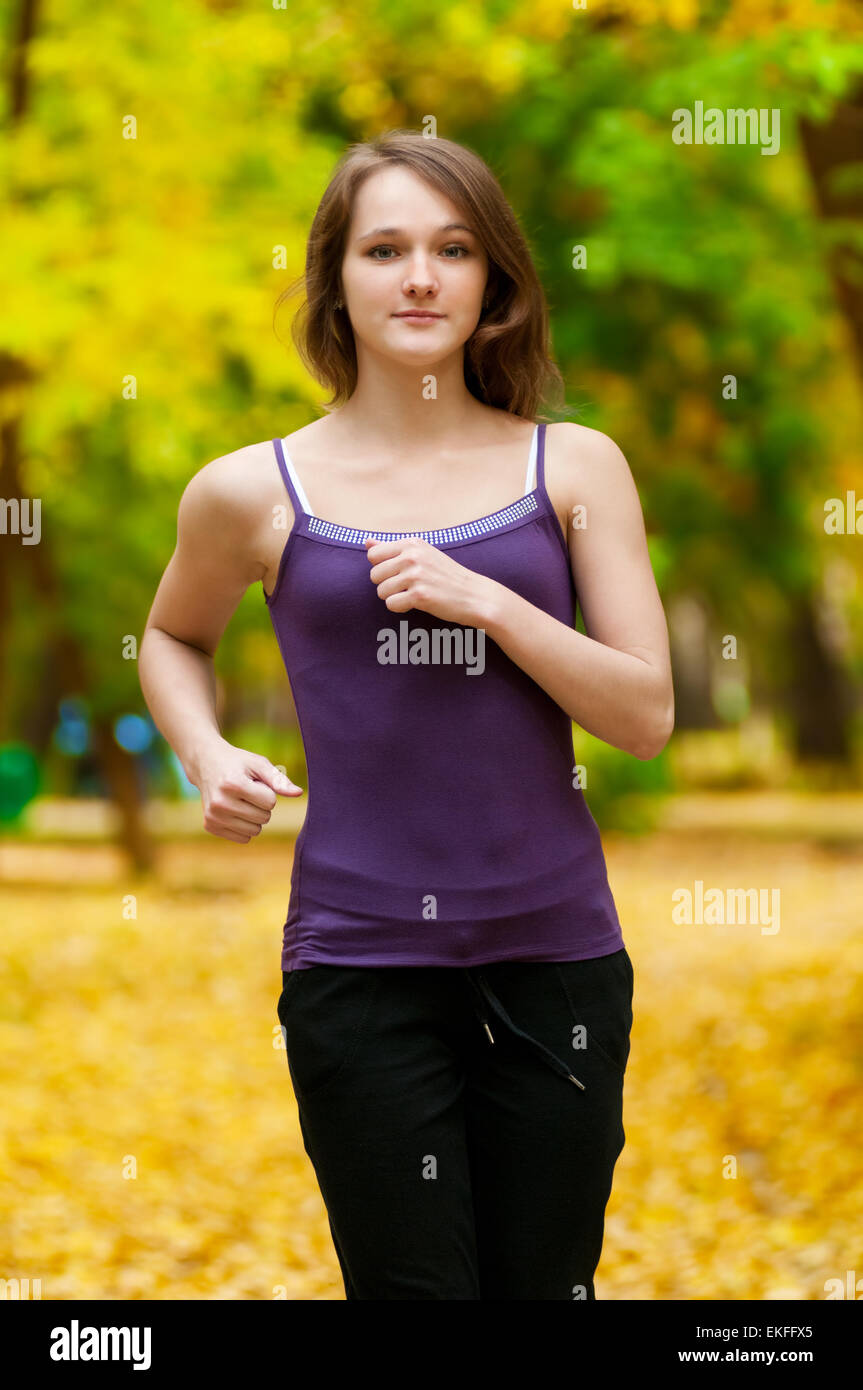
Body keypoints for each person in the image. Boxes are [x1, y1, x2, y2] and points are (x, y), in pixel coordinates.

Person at [138, 130, 674, 1300]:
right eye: (384, 249)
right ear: (336, 277)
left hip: (557, 965)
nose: (419, 276)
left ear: (494, 283)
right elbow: (172, 635)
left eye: (452, 248)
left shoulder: (573, 470)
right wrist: (203, 748)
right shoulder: (249, 490)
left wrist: (486, 602)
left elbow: (642, 715)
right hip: (358, 968)